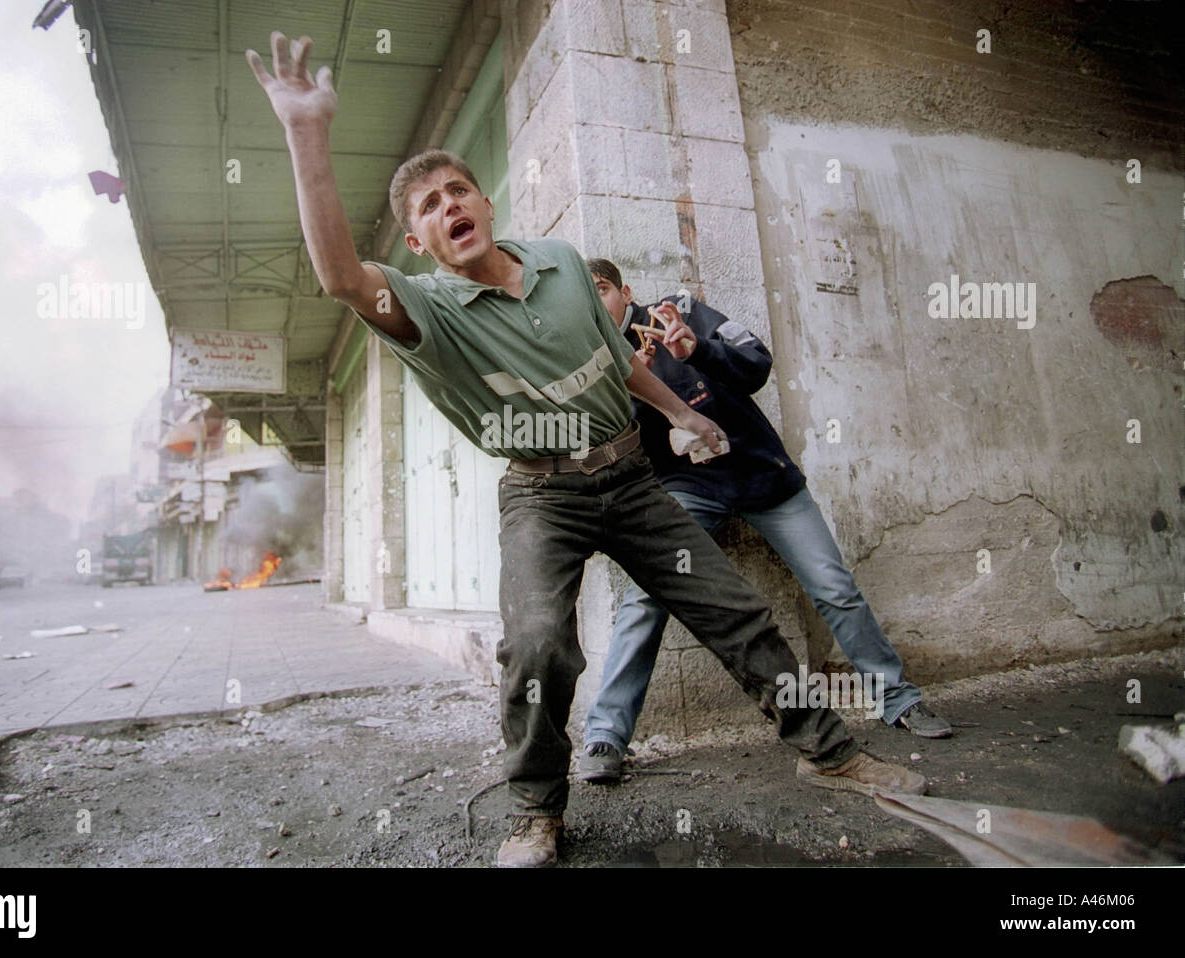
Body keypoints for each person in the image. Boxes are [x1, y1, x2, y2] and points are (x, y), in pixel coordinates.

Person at [247, 32, 926, 868]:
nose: (447, 204)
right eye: (427, 206)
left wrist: (687, 415)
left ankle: (832, 752)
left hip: (634, 481)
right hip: (543, 498)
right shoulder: (426, 307)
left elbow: (620, 361)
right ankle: (535, 810)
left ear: (486, 203)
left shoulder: (565, 264)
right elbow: (341, 277)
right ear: (418, 241)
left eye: (457, 189)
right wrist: (306, 133)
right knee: (536, 643)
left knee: (734, 611)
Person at [577, 259, 952, 784]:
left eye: (603, 289)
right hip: (688, 489)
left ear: (625, 292)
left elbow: (756, 363)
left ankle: (898, 697)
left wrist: (697, 349)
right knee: (646, 597)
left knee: (833, 585)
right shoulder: (594, 361)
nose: (598, 302)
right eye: (586, 295)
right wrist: (626, 397)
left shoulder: (676, 313)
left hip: (761, 474)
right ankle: (605, 736)